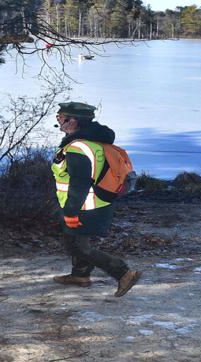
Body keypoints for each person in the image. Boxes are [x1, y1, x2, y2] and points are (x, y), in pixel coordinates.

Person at [50, 101, 140, 296]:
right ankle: (80, 275)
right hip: (96, 201)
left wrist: (71, 211)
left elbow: (79, 183)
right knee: (72, 239)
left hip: (85, 205)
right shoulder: (93, 140)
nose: (58, 122)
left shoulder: (78, 147)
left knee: (80, 247)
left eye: (60, 118)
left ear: (73, 121)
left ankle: (124, 273)